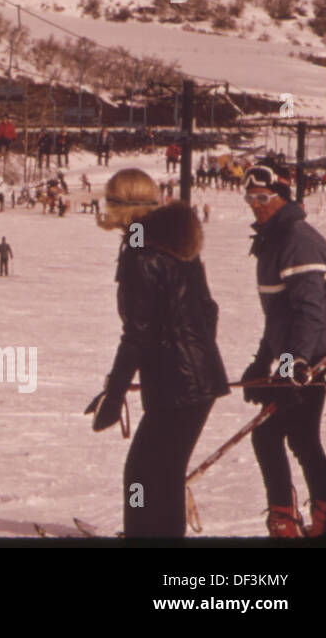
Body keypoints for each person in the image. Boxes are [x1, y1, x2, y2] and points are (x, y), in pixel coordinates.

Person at [86, 168, 229, 538]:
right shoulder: (174, 243)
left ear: (121, 207)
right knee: (162, 476)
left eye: (109, 201)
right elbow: (207, 311)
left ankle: (140, 534)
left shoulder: (141, 253)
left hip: (178, 385)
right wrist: (189, 356)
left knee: (142, 476)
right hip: (196, 380)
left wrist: (114, 395)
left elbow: (137, 334)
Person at [239, 165, 326, 537]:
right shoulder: (274, 240)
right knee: (300, 438)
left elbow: (310, 312)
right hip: (301, 356)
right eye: (251, 199)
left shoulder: (296, 239)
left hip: (316, 358)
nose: (256, 206)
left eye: (264, 198)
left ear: (283, 197)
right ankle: (321, 514)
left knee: (271, 435)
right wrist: (262, 363)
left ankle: (287, 518)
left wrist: (294, 364)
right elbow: (280, 314)